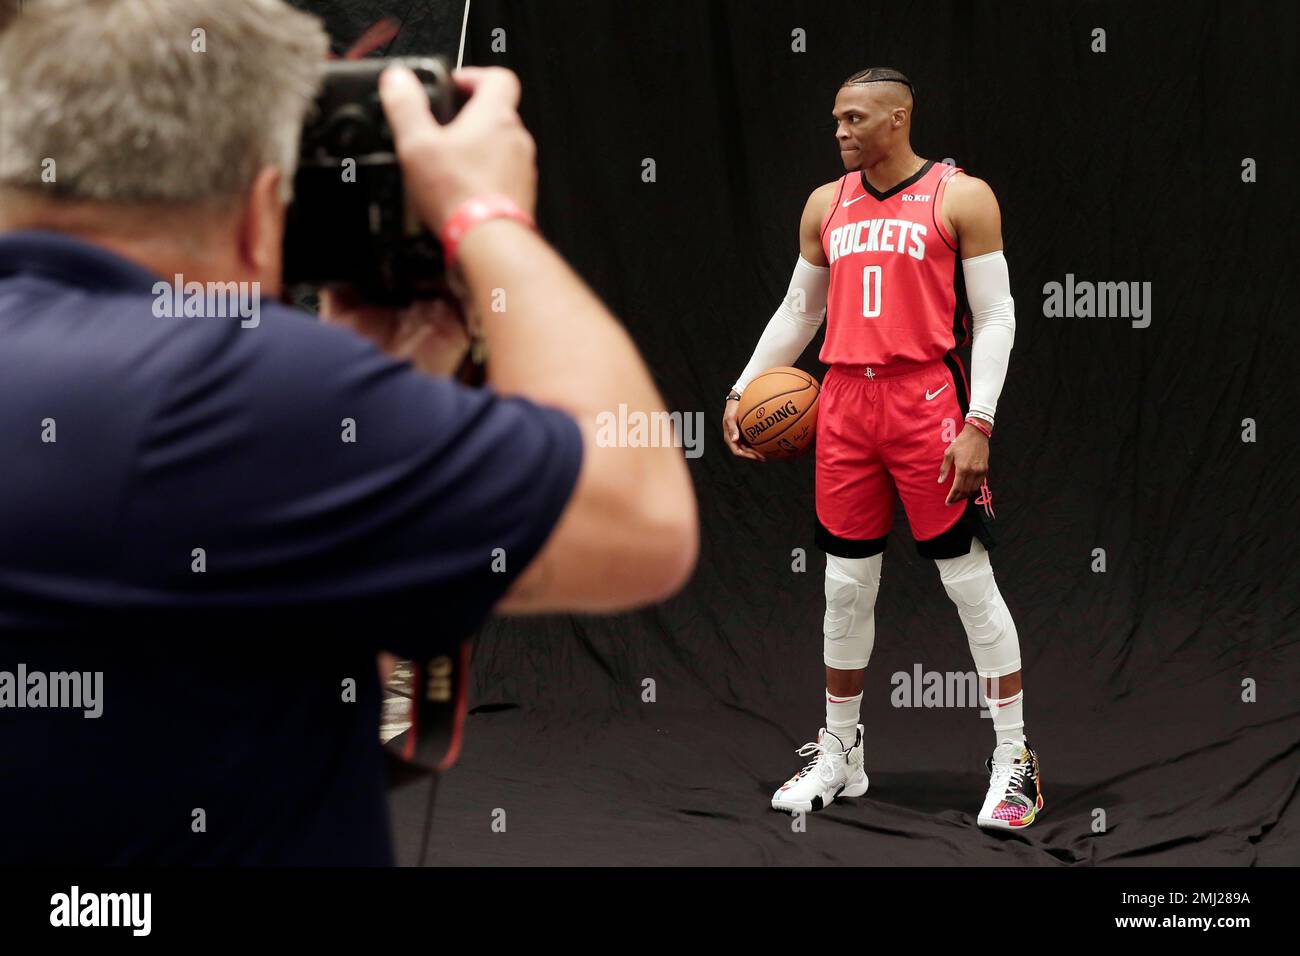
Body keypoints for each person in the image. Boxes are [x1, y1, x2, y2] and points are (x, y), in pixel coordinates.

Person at [0, 0, 696, 864]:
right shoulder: (217, 389)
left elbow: (232, 657)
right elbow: (638, 520)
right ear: (264, 206)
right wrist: (486, 219)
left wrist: (375, 390)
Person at [723, 68, 1040, 829]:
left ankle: (1015, 759)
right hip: (842, 403)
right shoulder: (825, 203)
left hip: (926, 400)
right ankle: (842, 751)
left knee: (967, 580)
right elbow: (801, 309)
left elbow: (995, 316)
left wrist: (980, 421)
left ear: (899, 119)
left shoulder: (961, 196)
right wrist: (743, 390)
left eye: (855, 118)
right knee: (844, 586)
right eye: (836, 118)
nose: (840, 131)